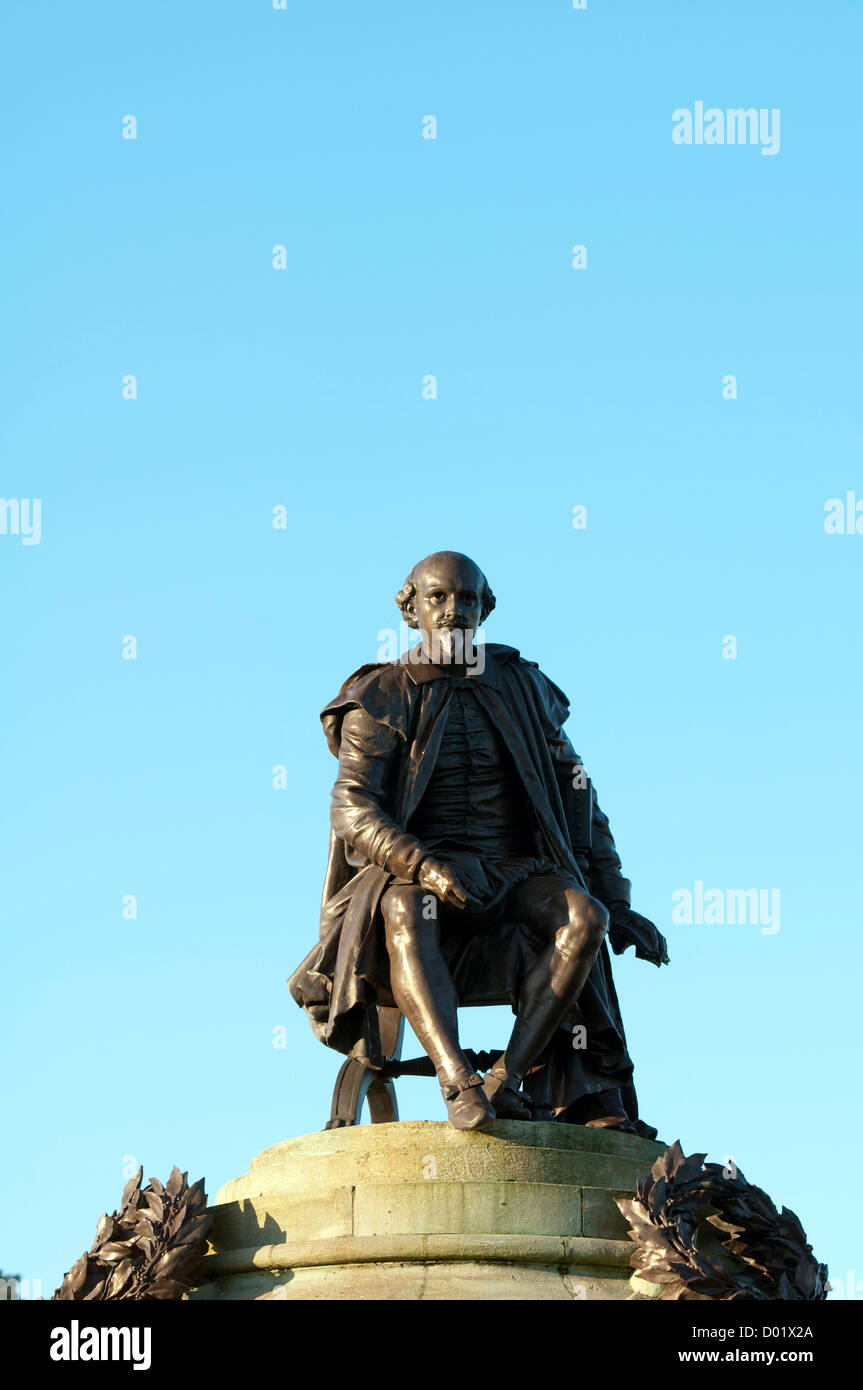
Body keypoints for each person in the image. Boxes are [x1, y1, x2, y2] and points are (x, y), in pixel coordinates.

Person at [289, 551, 668, 1132]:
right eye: (438, 598)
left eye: (467, 599)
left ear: (484, 608)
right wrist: (425, 866)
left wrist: (617, 900)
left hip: (517, 871)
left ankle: (508, 1080)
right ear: (410, 608)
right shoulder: (381, 693)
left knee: (584, 917)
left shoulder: (524, 687)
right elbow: (352, 807)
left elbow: (579, 797)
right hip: (416, 875)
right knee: (405, 908)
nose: (453, 611)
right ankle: (457, 1079)